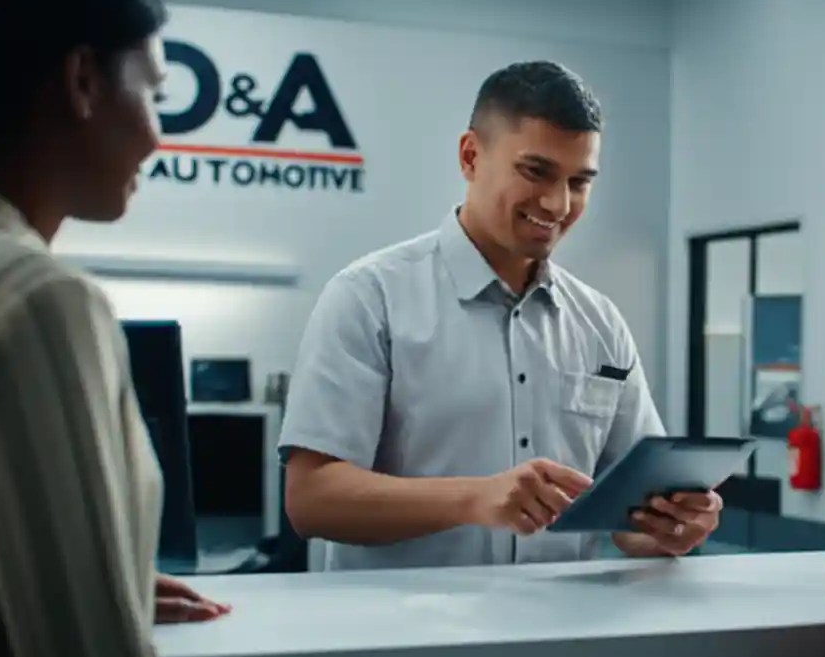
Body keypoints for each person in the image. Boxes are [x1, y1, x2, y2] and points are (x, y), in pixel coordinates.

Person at [0, 0, 229, 657]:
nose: (154, 134)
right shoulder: (38, 303)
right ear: (82, 80)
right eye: (152, 93)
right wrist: (89, 604)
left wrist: (77, 568)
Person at [282, 61, 723, 570]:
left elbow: (632, 526)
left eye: (579, 182)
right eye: (536, 172)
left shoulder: (601, 324)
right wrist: (472, 498)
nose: (558, 204)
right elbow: (311, 499)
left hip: (560, 638)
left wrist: (671, 526)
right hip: (406, 639)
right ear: (471, 156)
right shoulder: (368, 297)